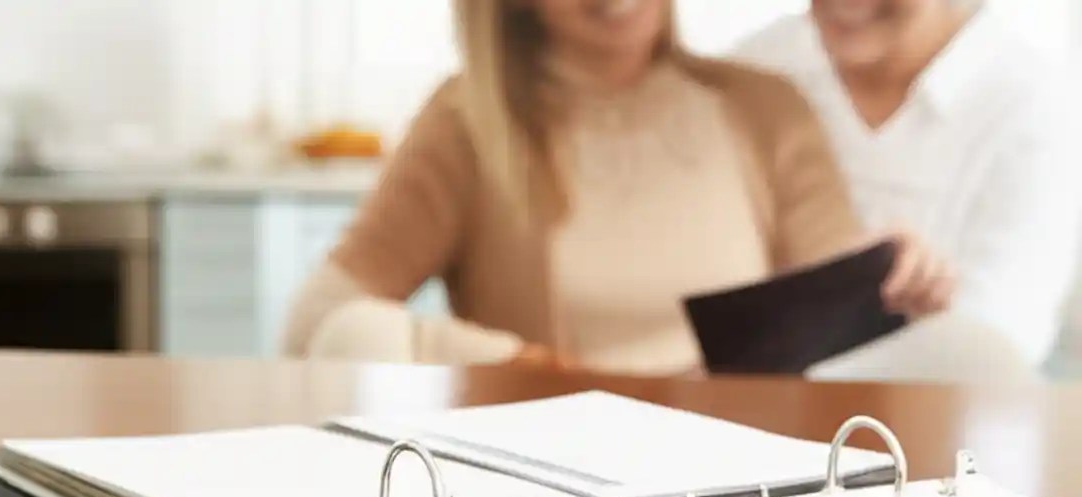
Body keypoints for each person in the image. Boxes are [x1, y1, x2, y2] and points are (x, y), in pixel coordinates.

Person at [282, 0, 953, 376]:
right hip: (555, 479)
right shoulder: (470, 124)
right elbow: (319, 323)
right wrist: (519, 367)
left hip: (736, 469)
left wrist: (891, 273)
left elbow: (834, 316)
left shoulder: (762, 109)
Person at [734, 0, 1082, 369]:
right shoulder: (755, 72)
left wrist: (907, 299)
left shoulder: (1036, 108)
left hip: (942, 397)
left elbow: (999, 345)